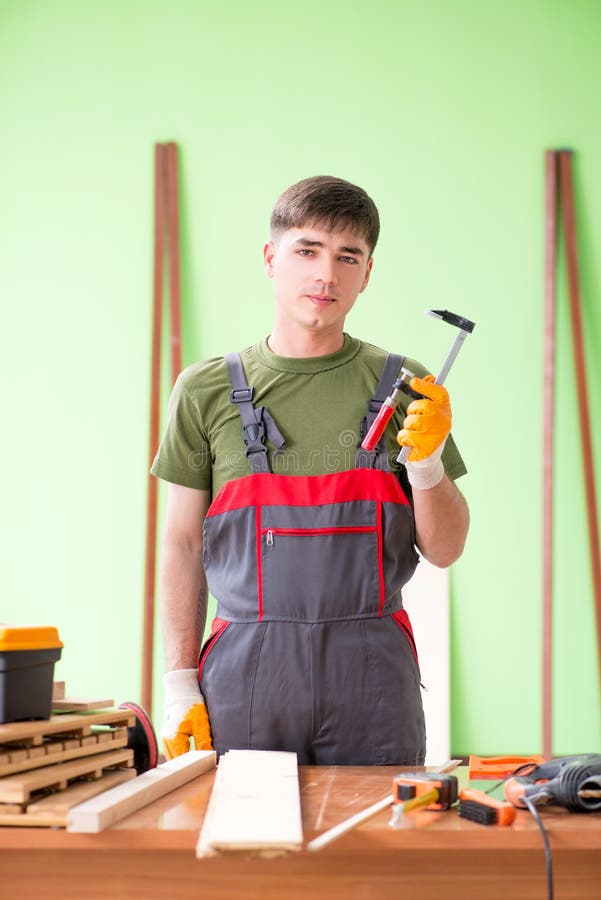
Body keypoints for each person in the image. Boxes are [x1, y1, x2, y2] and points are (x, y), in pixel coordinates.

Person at [151, 175, 469, 766]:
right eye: (308, 250)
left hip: (373, 677)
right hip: (244, 678)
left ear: (367, 274)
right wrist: (178, 686)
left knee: (370, 851)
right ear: (272, 258)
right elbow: (180, 543)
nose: (327, 274)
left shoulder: (408, 388)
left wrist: (424, 465)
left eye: (348, 257)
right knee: (244, 852)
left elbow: (445, 549)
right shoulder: (205, 389)